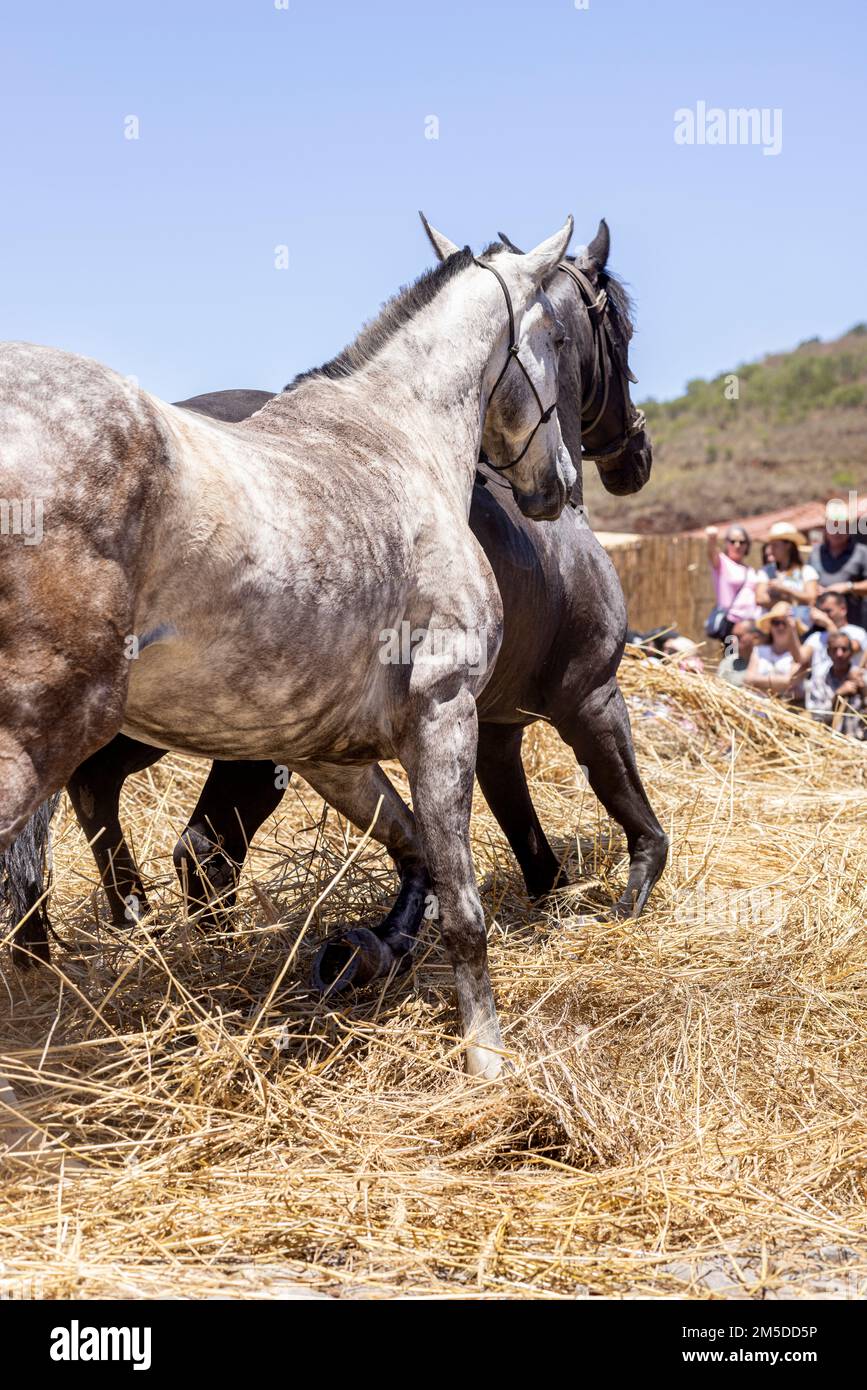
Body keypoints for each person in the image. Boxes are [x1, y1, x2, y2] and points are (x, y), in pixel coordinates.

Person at [809, 499, 867, 629]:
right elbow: (806, 581)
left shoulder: (862, 552)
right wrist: (814, 589)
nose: (837, 530)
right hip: (819, 625)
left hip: (853, 624)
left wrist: (848, 586)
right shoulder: (815, 553)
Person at [800, 631, 865, 737]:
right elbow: (816, 717)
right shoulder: (819, 681)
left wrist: (864, 691)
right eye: (835, 650)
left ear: (851, 652)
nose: (839, 654)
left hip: (860, 744)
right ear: (828, 652)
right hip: (832, 743)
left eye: (844, 649)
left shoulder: (862, 677)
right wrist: (836, 696)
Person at [755, 521, 819, 628]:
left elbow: (811, 598)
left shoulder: (806, 571)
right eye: (771, 545)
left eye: (775, 546)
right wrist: (793, 600)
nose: (772, 550)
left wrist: (784, 590)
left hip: (800, 627)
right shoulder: (765, 571)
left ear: (788, 545)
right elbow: (760, 599)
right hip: (772, 629)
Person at [705, 525, 760, 640]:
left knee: (749, 658)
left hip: (750, 626)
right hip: (731, 625)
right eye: (733, 541)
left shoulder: (750, 570)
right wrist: (712, 539)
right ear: (726, 543)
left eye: (742, 542)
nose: (737, 545)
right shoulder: (722, 562)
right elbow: (711, 553)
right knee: (732, 656)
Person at [745, 602, 806, 697]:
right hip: (758, 708)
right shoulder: (759, 650)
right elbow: (747, 680)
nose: (780, 627)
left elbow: (789, 682)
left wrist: (757, 682)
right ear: (770, 626)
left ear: (792, 627)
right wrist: (779, 684)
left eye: (784, 623)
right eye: (776, 623)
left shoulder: (799, 653)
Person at [716, 620, 760, 687]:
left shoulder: (764, 664)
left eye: (739, 637)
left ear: (755, 637)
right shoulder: (727, 663)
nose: (733, 641)